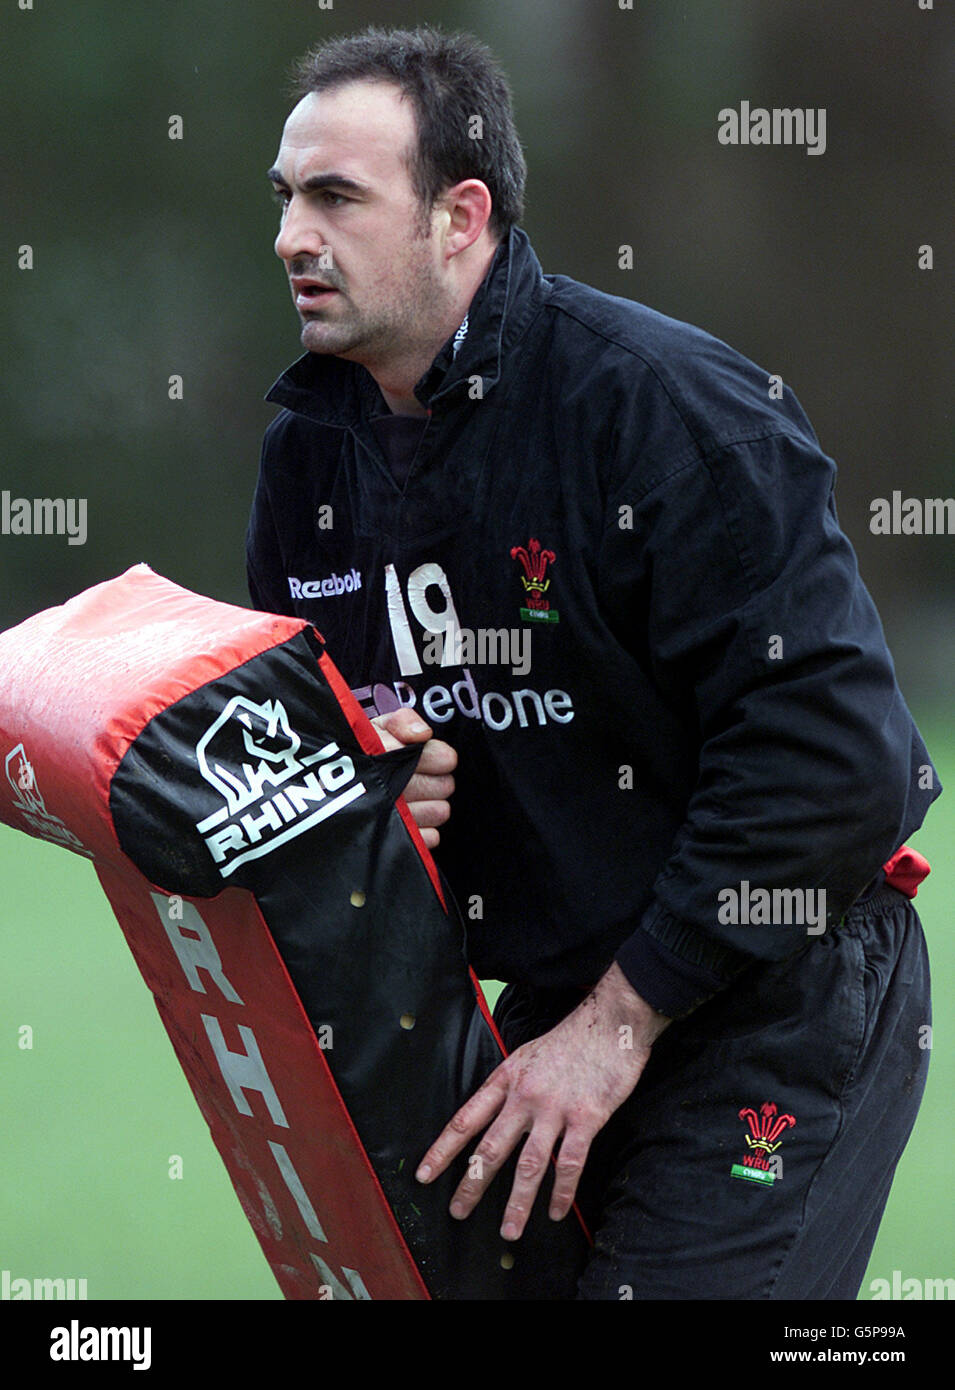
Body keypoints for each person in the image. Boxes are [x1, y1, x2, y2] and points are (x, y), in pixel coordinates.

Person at [246, 25, 940, 1299]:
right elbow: (335, 769)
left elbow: (835, 761)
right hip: (557, 997)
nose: (293, 234)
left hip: (771, 991)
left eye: (337, 196)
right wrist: (376, 813)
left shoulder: (661, 406)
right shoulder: (307, 466)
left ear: (461, 216)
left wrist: (618, 1028)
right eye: (286, 197)